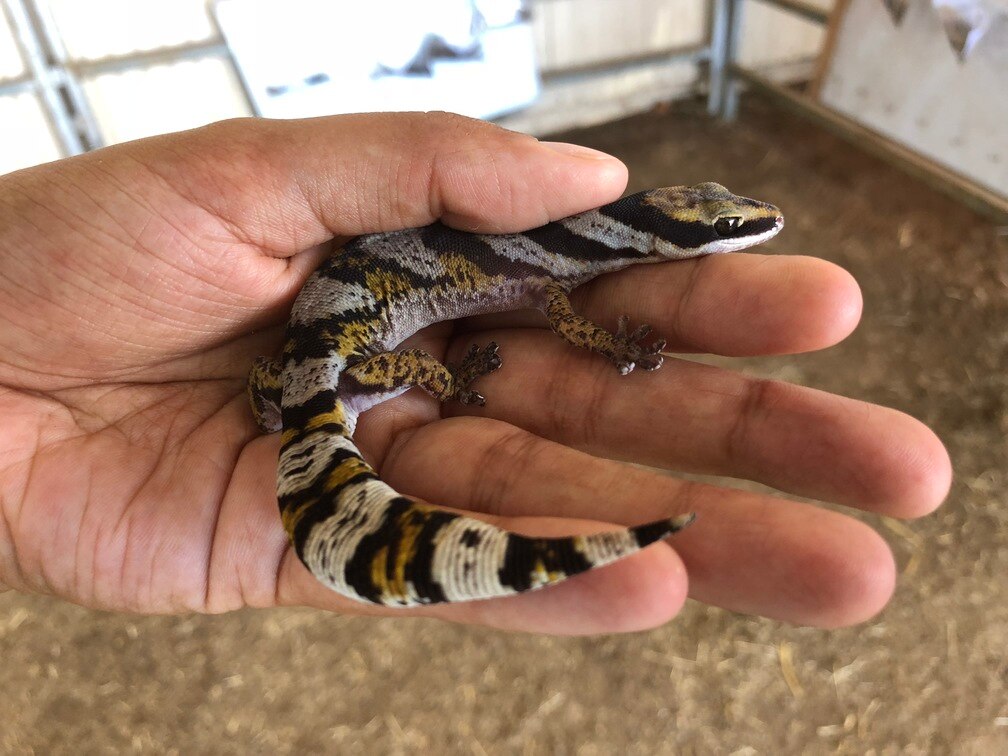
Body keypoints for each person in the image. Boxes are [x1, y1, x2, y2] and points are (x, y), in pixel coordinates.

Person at [0, 112, 950, 634]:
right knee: (399, 381)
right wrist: (465, 381)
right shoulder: (561, 265)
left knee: (338, 388)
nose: (746, 227)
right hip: (327, 382)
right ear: (666, 238)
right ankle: (389, 446)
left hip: (299, 379)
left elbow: (552, 300)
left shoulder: (564, 254)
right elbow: (562, 312)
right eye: (728, 227)